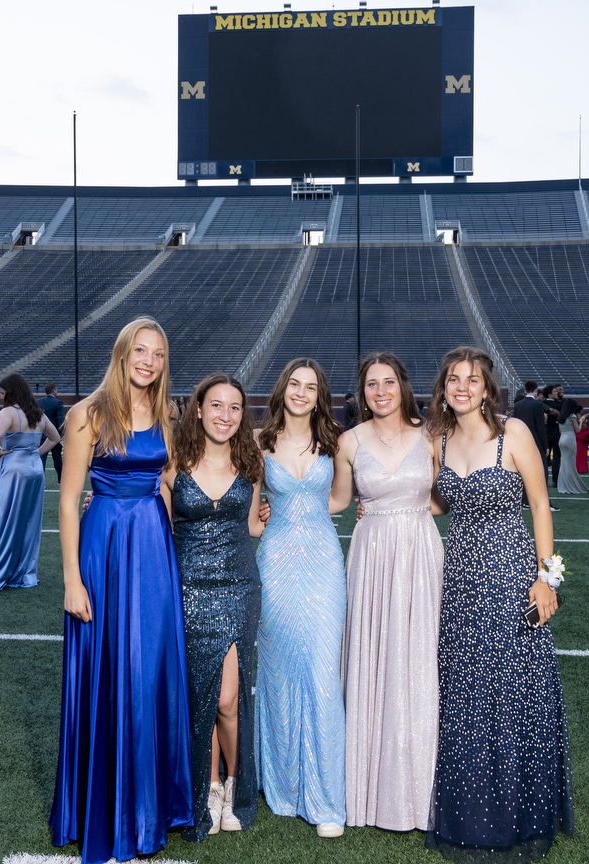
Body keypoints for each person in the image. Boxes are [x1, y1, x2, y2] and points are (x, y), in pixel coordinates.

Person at [51, 317, 193, 863]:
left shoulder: (166, 412)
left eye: (158, 353)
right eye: (141, 350)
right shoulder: (86, 413)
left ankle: (150, 807)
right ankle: (105, 809)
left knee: (150, 669)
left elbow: (172, 482)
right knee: (110, 669)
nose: (149, 361)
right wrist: (71, 580)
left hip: (154, 549)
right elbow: (68, 500)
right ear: (122, 353)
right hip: (104, 548)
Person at [425, 346, 573, 862]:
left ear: (487, 388)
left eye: (472, 380)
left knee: (512, 690)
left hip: (511, 575)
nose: (462, 387)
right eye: (453, 380)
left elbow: (539, 504)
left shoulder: (514, 432)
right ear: (443, 387)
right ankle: (470, 806)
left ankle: (519, 810)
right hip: (460, 578)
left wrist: (545, 578)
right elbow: (439, 501)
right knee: (464, 691)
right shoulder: (437, 440)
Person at [331, 352, 443, 832]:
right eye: (371, 384)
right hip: (371, 555)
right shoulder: (348, 440)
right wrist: (280, 504)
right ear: (361, 393)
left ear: (403, 385)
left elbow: (444, 499)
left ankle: (422, 788)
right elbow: (337, 499)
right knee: (372, 658)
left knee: (419, 659)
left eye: (388, 382)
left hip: (419, 552)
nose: (380, 391)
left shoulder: (433, 433)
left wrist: (404, 514)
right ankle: (369, 788)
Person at [167, 373, 266, 841]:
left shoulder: (252, 462)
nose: (225, 415)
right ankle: (206, 786)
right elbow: (157, 524)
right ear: (200, 409)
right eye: (217, 406)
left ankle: (234, 783)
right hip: (187, 589)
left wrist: (267, 518)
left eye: (235, 408)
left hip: (239, 587)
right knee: (197, 695)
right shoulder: (175, 462)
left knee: (228, 699)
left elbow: (251, 527)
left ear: (242, 415)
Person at [253, 357, 348, 838]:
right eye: (295, 384)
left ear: (319, 394)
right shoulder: (258, 441)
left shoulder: (335, 439)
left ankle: (327, 797)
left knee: (322, 670)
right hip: (275, 563)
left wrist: (305, 507)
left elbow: (341, 500)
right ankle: (284, 787)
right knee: (279, 669)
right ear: (283, 389)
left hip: (325, 563)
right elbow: (251, 520)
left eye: (311, 386)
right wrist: (275, 513)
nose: (302, 392)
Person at [0, 373, 61, 592]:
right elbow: (56, 437)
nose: (0, 397)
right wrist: (35, 452)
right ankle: (23, 572)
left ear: (10, 393)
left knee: (3, 520)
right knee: (29, 521)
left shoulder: (8, 412)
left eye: (2, 393)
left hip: (13, 469)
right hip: (34, 469)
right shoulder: (37, 414)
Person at [512, 381, 550, 507]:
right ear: (536, 390)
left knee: (521, 471)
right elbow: (540, 427)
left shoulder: (518, 405)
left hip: (520, 441)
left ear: (525, 389)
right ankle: (536, 498)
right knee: (540, 470)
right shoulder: (537, 405)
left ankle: (523, 499)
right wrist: (545, 446)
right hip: (535, 442)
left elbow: (515, 423)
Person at [555, 399, 589, 495]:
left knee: (563, 463)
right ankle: (571, 485)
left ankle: (564, 484)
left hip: (562, 439)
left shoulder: (560, 416)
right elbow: (578, 430)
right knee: (571, 463)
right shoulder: (572, 416)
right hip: (570, 439)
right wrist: (582, 421)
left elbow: (560, 431)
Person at [38, 382, 67, 481]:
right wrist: (62, 435)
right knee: (57, 459)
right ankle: (61, 480)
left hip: (41, 435)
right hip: (54, 436)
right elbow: (60, 421)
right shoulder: (57, 403)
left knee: (41, 459)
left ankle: (40, 481)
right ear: (54, 391)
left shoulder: (38, 402)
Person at [541, 384, 564, 485]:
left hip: (545, 433)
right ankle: (555, 480)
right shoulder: (559, 405)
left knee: (544, 458)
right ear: (549, 394)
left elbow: (540, 403)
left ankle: (543, 480)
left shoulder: (541, 404)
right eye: (554, 392)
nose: (557, 393)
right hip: (556, 433)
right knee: (556, 458)